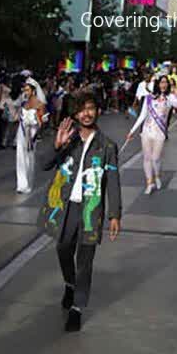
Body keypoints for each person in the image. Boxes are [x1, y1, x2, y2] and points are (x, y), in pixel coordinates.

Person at [36, 91, 122, 332]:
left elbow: (113, 181)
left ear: (98, 111)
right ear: (74, 111)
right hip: (65, 207)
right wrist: (57, 145)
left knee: (85, 259)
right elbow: (44, 164)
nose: (87, 113)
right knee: (63, 248)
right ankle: (70, 283)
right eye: (82, 109)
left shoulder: (107, 146)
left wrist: (115, 214)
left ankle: (77, 308)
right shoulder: (67, 136)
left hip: (90, 210)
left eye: (91, 108)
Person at [125, 74, 177, 195]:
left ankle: (157, 175)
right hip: (147, 131)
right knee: (147, 158)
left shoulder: (170, 98)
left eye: (165, 82)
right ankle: (149, 182)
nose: (163, 85)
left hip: (160, 132)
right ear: (157, 84)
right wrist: (132, 131)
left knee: (155, 158)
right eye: (161, 82)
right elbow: (142, 115)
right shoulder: (149, 97)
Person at [15, 77, 45, 193]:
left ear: (33, 90)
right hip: (22, 131)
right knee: (20, 156)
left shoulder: (39, 104)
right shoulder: (23, 102)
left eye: (27, 90)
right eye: (24, 90)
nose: (25, 92)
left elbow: (41, 121)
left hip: (32, 133)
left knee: (29, 157)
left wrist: (36, 124)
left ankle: (28, 182)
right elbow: (18, 116)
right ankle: (21, 184)